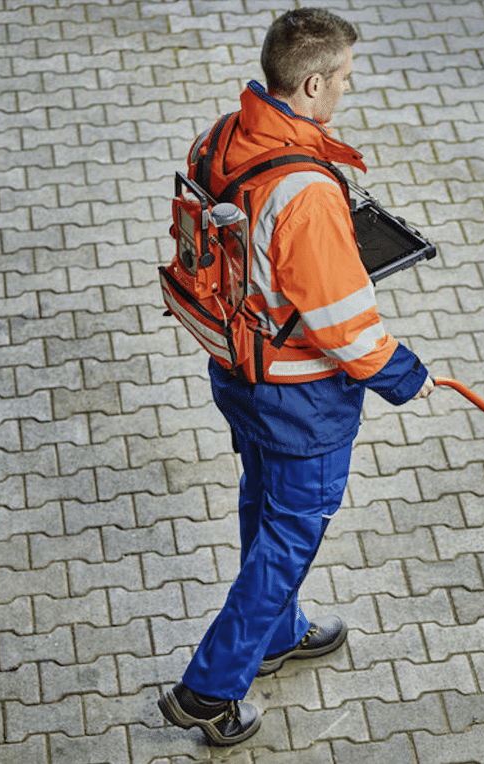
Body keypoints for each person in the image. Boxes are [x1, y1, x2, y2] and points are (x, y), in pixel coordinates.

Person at [158, 7, 435, 747]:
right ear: (313, 83)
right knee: (290, 534)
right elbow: (344, 324)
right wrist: (404, 374)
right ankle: (208, 691)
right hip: (299, 395)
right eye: (344, 76)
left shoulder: (224, 135)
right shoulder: (306, 192)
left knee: (265, 503)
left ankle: (278, 633)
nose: (348, 87)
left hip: (238, 372)